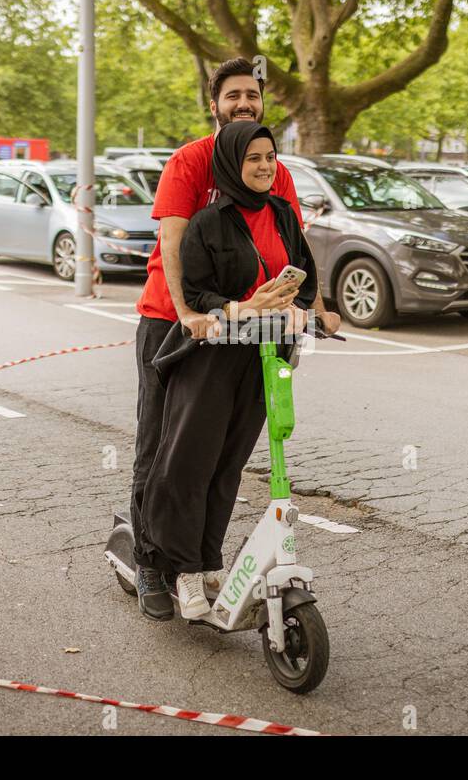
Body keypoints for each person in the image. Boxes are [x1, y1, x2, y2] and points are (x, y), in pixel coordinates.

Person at [127, 58, 340, 621]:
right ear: (214, 102)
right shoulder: (190, 162)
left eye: (253, 95)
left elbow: (293, 249)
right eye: (233, 95)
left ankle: (200, 560)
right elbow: (173, 246)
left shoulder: (274, 169)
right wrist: (189, 315)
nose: (244, 103)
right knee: (161, 447)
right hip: (173, 317)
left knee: (223, 455)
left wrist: (317, 310)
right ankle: (152, 564)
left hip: (246, 332)